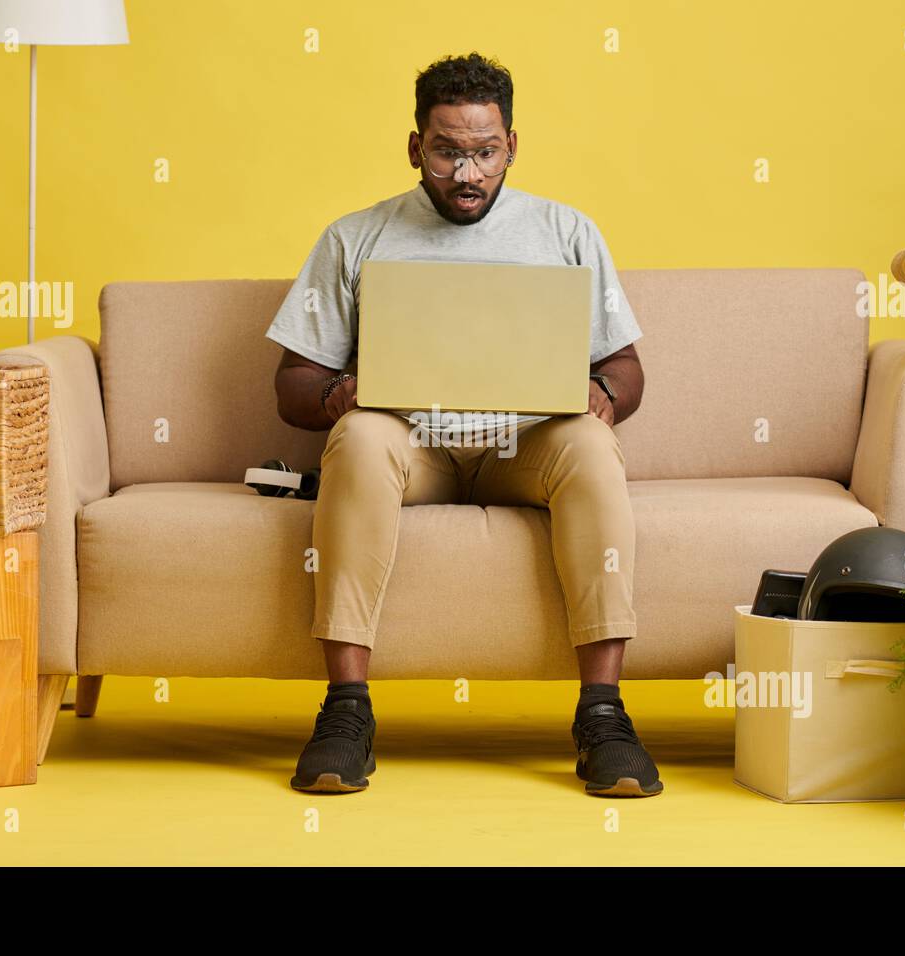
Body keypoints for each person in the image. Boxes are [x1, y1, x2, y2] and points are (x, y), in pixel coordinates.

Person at [265, 52, 661, 797]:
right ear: (416, 146)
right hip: (415, 448)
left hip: (529, 446)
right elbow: (291, 383)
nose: (466, 172)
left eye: (484, 151)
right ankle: (347, 711)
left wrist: (604, 393)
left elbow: (629, 367)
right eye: (447, 151)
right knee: (358, 435)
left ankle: (603, 714)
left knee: (591, 442)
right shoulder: (356, 237)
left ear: (512, 144)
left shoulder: (567, 232)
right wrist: (336, 396)